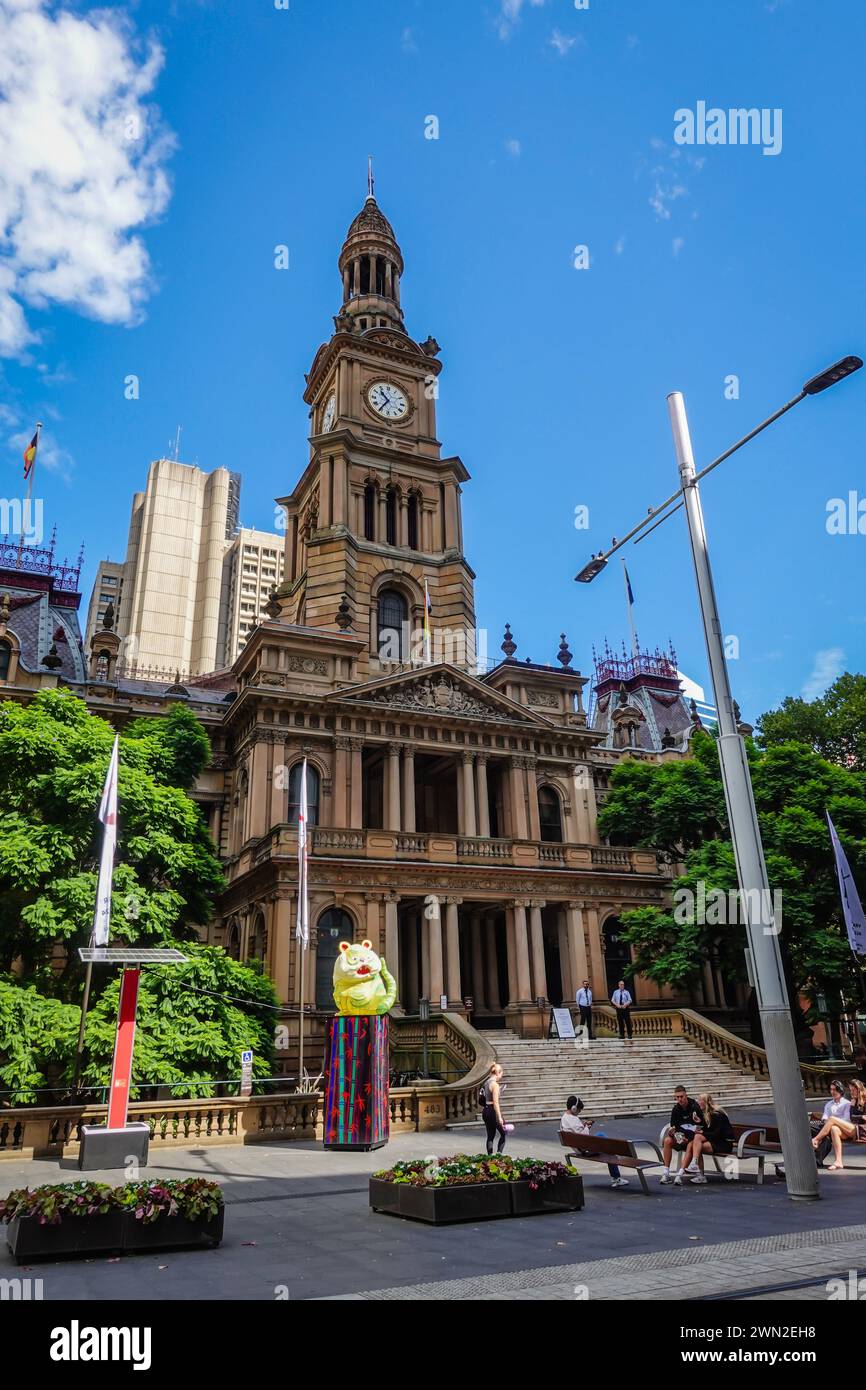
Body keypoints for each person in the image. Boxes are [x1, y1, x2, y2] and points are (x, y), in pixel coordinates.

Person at [560, 1095, 630, 1189]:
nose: (578, 1113)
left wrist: (583, 1125)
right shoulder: (574, 1119)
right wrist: (587, 1126)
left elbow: (576, 1131)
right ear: (574, 1108)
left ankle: (614, 1165)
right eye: (579, 1110)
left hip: (577, 1148)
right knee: (605, 1141)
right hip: (584, 1149)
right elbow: (584, 1136)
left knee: (605, 1143)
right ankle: (616, 1178)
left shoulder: (564, 1117)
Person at [812, 1079, 865, 1170]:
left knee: (832, 1119)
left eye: (853, 1090)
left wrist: (860, 1117)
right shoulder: (853, 1101)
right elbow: (852, 1117)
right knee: (834, 1129)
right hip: (854, 1128)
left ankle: (816, 1140)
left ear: (858, 1089)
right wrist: (855, 1111)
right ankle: (838, 1161)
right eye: (850, 1090)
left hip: (862, 1130)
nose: (851, 1092)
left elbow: (856, 1118)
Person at [660, 1086, 706, 1185]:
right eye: (677, 1097)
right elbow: (674, 1127)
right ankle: (666, 1173)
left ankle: (679, 1175)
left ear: (686, 1095)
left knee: (691, 1144)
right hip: (681, 1137)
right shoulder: (676, 1109)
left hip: (693, 1138)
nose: (680, 1099)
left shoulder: (694, 1106)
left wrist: (687, 1138)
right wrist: (673, 1133)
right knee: (667, 1140)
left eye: (681, 1096)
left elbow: (700, 1127)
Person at [685, 1093, 735, 1184]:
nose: (698, 1102)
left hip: (724, 1143)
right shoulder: (706, 1114)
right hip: (715, 1141)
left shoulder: (717, 1114)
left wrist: (703, 1132)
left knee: (696, 1145)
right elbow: (708, 1130)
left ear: (706, 1102)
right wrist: (699, 1122)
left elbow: (717, 1134)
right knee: (697, 1142)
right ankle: (696, 1166)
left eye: (700, 1100)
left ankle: (699, 1173)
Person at [480, 1062, 507, 1155]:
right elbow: (496, 1103)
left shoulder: (486, 1082)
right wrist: (499, 1117)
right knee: (504, 1133)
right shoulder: (495, 1085)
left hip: (485, 1111)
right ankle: (499, 1156)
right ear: (498, 1073)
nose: (501, 1077)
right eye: (501, 1074)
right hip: (492, 1111)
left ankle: (490, 1157)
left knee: (490, 1136)